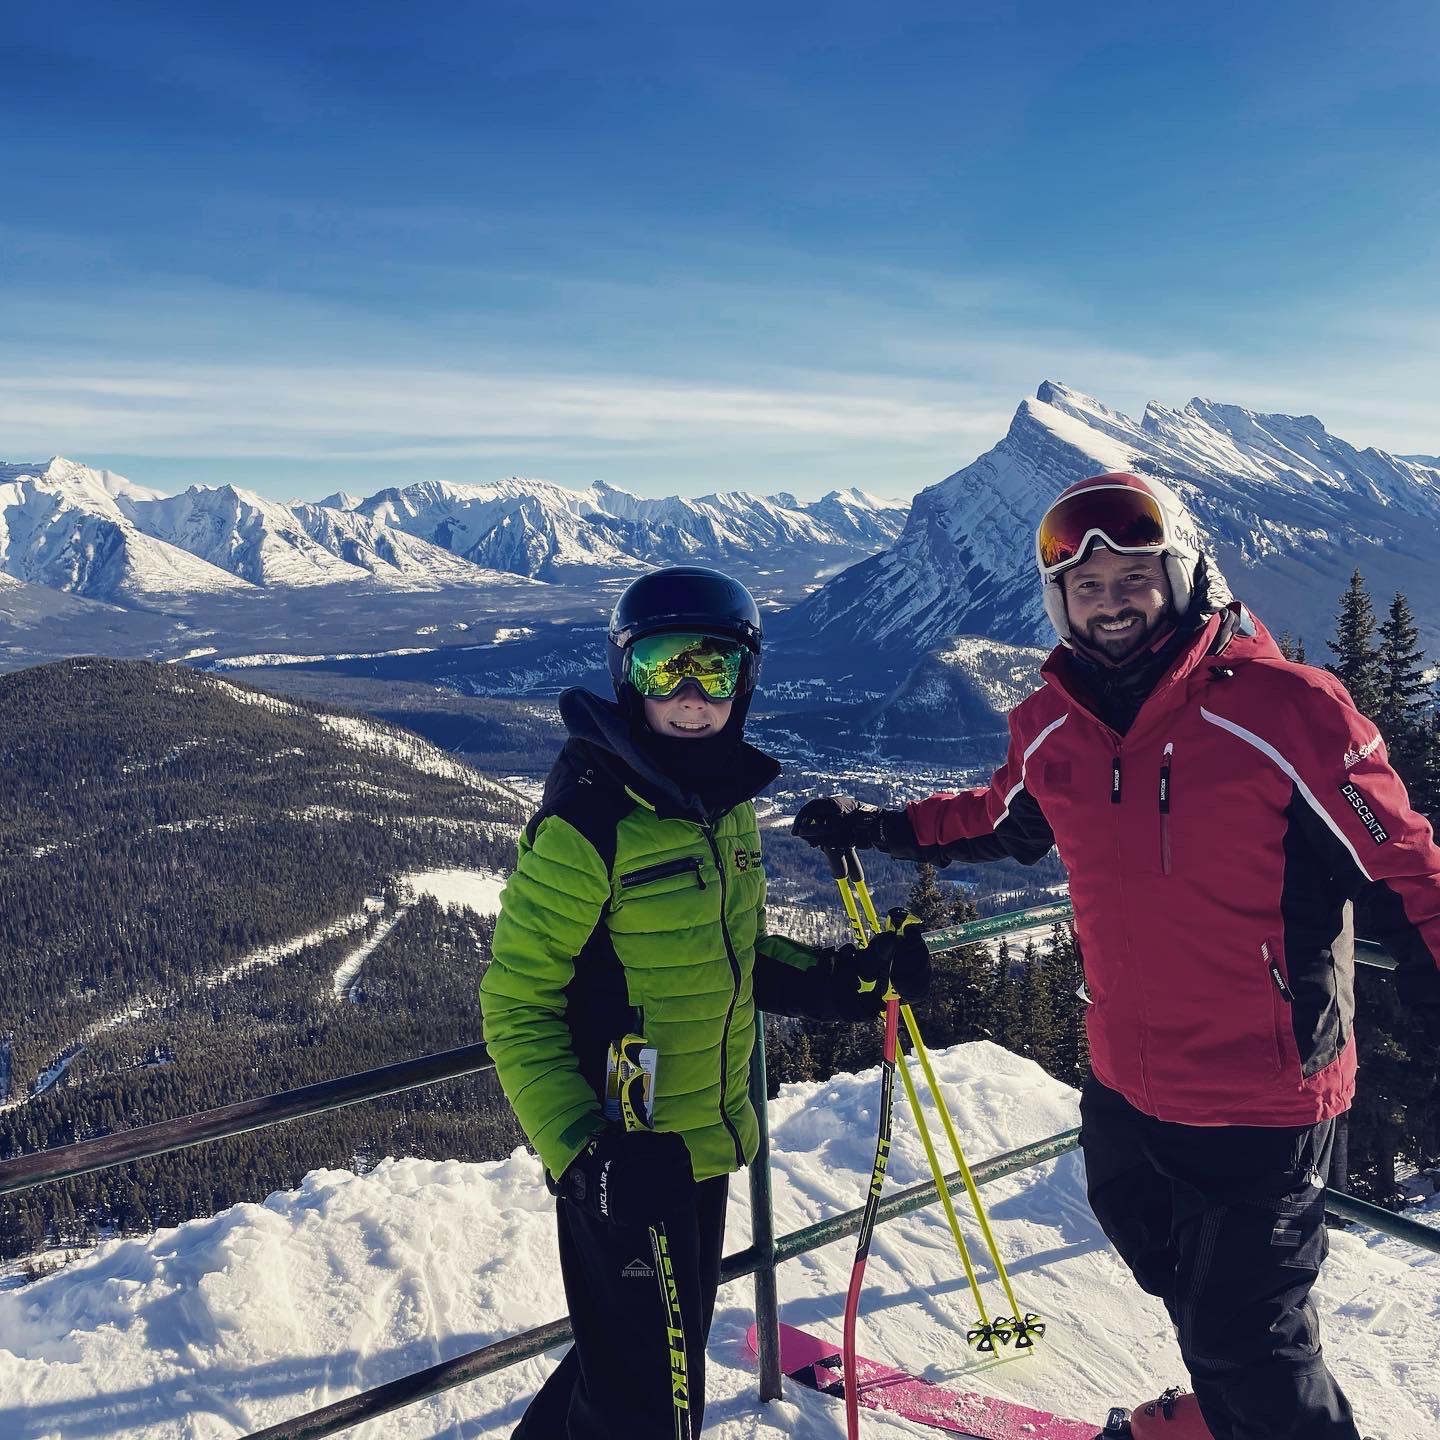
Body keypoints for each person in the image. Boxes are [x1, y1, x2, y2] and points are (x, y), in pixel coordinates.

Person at [791, 472, 1440, 1440]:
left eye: (1132, 576)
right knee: (1184, 1281)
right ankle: (1237, 1409)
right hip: (1127, 1090)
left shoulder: (1288, 713)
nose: (1111, 603)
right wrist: (876, 826)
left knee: (1247, 1340)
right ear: (1060, 604)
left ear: (1179, 575)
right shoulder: (1054, 723)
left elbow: (1409, 875)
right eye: (1085, 589)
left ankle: (1250, 1407)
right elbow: (995, 819)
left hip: (1264, 1099)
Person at [480, 564, 930, 1440]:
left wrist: (851, 980)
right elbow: (514, 1002)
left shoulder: (715, 803)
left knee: (633, 1358)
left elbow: (735, 958)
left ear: (745, 681)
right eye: (663, 668)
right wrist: (585, 1157)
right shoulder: (592, 821)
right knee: (651, 1406)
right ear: (627, 674)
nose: (690, 696)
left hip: (703, 1140)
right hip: (623, 1160)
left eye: (712, 669)